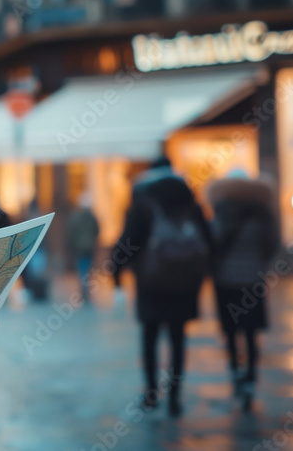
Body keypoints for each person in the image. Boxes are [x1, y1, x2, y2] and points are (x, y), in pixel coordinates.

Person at [112, 157, 211, 417]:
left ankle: (151, 393)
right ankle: (175, 398)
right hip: (184, 282)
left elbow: (126, 244)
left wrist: (116, 275)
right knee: (178, 339)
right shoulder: (190, 202)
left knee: (150, 337)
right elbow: (207, 240)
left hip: (151, 281)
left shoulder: (143, 203)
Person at [207, 171, 278, 412]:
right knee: (251, 331)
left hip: (226, 279)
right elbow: (271, 246)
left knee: (230, 330)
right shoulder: (263, 216)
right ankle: (250, 377)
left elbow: (212, 244)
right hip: (253, 279)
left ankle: (235, 372)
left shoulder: (222, 214)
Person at [68, 193, 99, 301]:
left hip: (80, 247)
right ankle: (86, 289)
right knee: (88, 268)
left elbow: (72, 232)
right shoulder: (92, 218)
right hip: (89, 246)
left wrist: (74, 243)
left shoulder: (76, 218)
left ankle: (83, 290)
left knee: (82, 269)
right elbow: (96, 230)